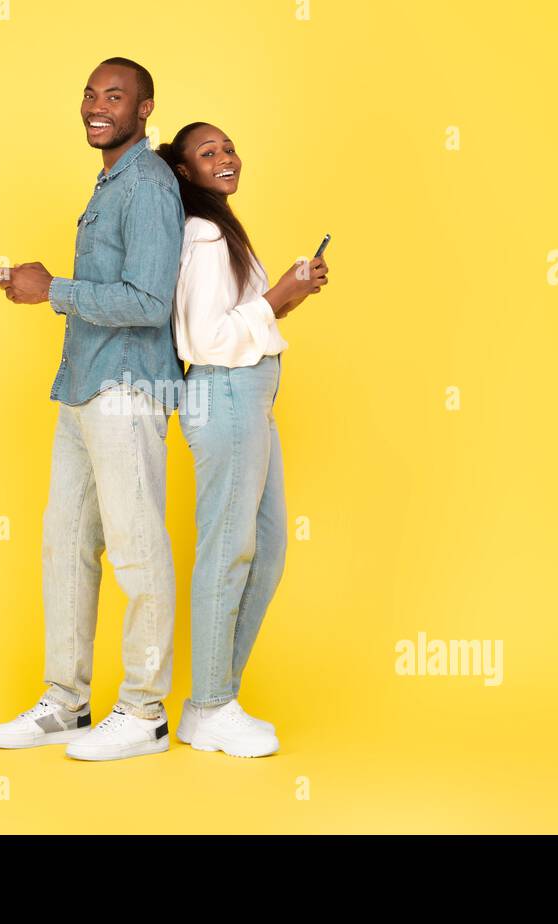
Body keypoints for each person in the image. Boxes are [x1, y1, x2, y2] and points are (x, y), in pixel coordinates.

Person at [0, 58, 186, 761]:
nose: (98, 106)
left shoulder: (151, 185)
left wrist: (54, 289)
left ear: (145, 108)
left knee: (136, 548)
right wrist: (42, 287)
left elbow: (150, 302)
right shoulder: (110, 180)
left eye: (116, 96)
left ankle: (144, 712)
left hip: (128, 390)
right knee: (65, 546)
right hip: (82, 387)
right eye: (92, 94)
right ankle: (65, 704)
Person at [155, 122, 327, 757]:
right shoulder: (201, 233)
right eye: (208, 153)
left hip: (247, 398)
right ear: (184, 172)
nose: (225, 159)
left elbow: (237, 322)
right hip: (225, 397)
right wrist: (276, 295)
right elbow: (201, 339)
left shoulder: (221, 230)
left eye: (227, 148)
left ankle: (218, 695)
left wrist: (286, 297)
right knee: (228, 549)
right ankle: (208, 705)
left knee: (267, 548)